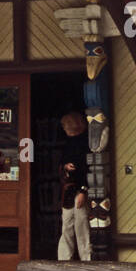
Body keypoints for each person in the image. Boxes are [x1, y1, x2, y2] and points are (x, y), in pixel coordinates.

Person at [58, 111, 90, 261]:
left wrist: (83, 191)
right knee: (67, 227)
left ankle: (86, 260)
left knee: (81, 227)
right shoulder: (68, 144)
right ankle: (64, 259)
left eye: (65, 126)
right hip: (69, 191)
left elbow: (87, 169)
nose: (64, 129)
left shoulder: (85, 144)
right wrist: (65, 167)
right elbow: (61, 164)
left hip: (79, 190)